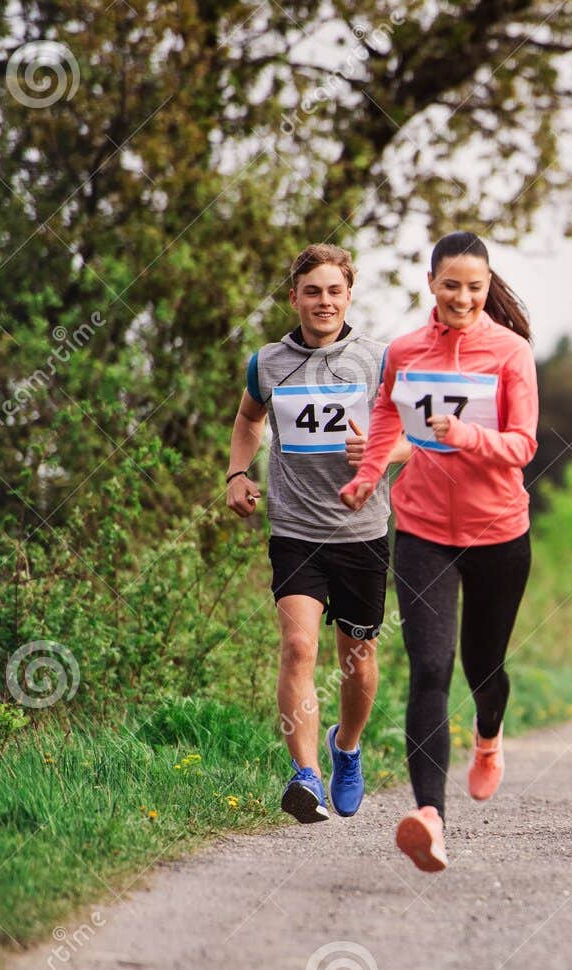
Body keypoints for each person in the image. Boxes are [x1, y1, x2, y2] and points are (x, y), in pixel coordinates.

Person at [339, 231, 538, 873]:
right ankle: (431, 817)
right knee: (430, 666)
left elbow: (523, 445)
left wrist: (467, 436)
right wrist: (369, 476)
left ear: (486, 289)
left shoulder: (511, 353)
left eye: (474, 287)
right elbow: (386, 420)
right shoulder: (404, 350)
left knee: (483, 666)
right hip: (423, 527)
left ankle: (488, 736)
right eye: (450, 284)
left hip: (497, 530)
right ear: (432, 284)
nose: (461, 296)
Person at [226, 243, 410, 824]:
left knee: (358, 659)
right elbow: (249, 419)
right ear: (294, 298)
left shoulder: (380, 361)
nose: (323, 301)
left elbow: (414, 437)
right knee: (299, 647)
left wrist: (380, 455)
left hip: (361, 531)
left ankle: (346, 748)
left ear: (349, 295)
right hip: (296, 530)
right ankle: (304, 776)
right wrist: (236, 472)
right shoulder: (268, 363)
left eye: (334, 291)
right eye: (312, 291)